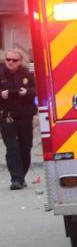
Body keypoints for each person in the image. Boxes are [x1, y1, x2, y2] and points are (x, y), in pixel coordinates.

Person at [2, 48, 36, 190]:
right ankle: (16, 179)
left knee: (25, 146)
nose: (10, 62)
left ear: (20, 61)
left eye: (14, 60)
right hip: (7, 116)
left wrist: (26, 92)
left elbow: (36, 91)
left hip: (24, 116)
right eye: (8, 59)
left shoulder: (27, 74)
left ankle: (21, 176)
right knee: (12, 148)